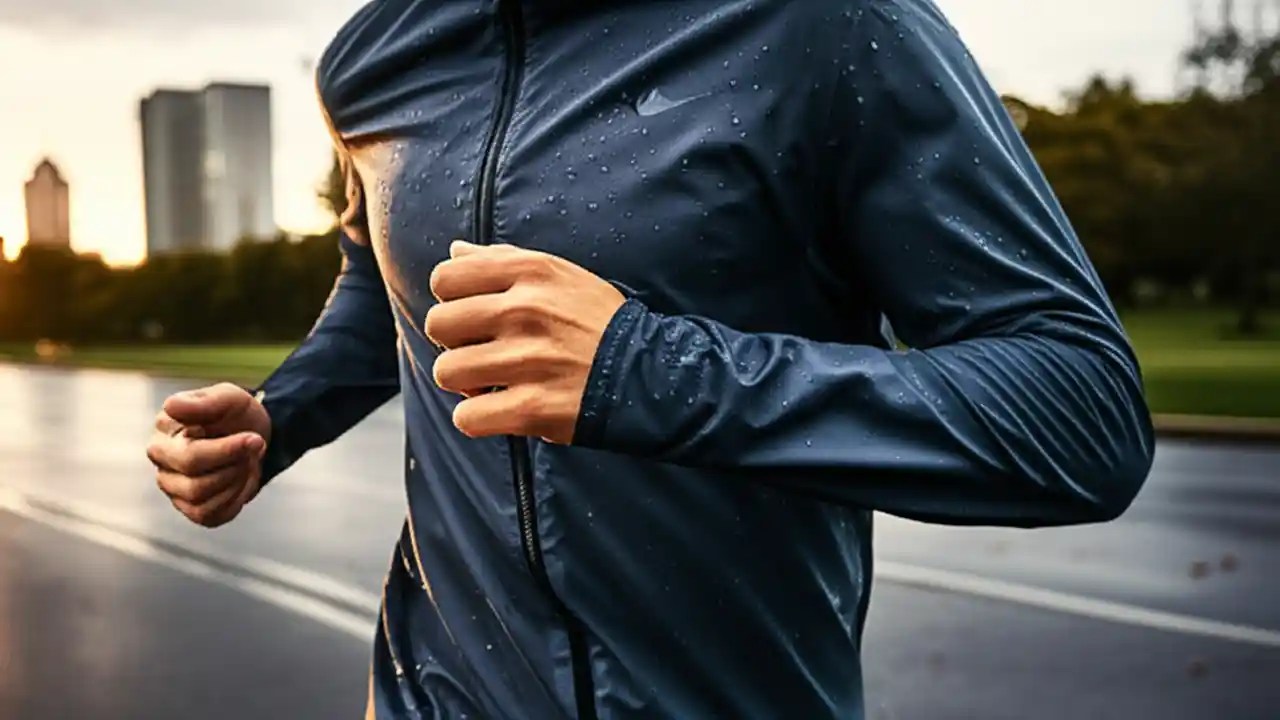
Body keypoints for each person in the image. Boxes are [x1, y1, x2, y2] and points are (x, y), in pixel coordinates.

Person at [145, 1, 1155, 717]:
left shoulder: (834, 25)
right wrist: (281, 416)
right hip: (429, 692)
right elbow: (388, 287)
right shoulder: (375, 54)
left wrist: (644, 371)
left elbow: (1078, 413)